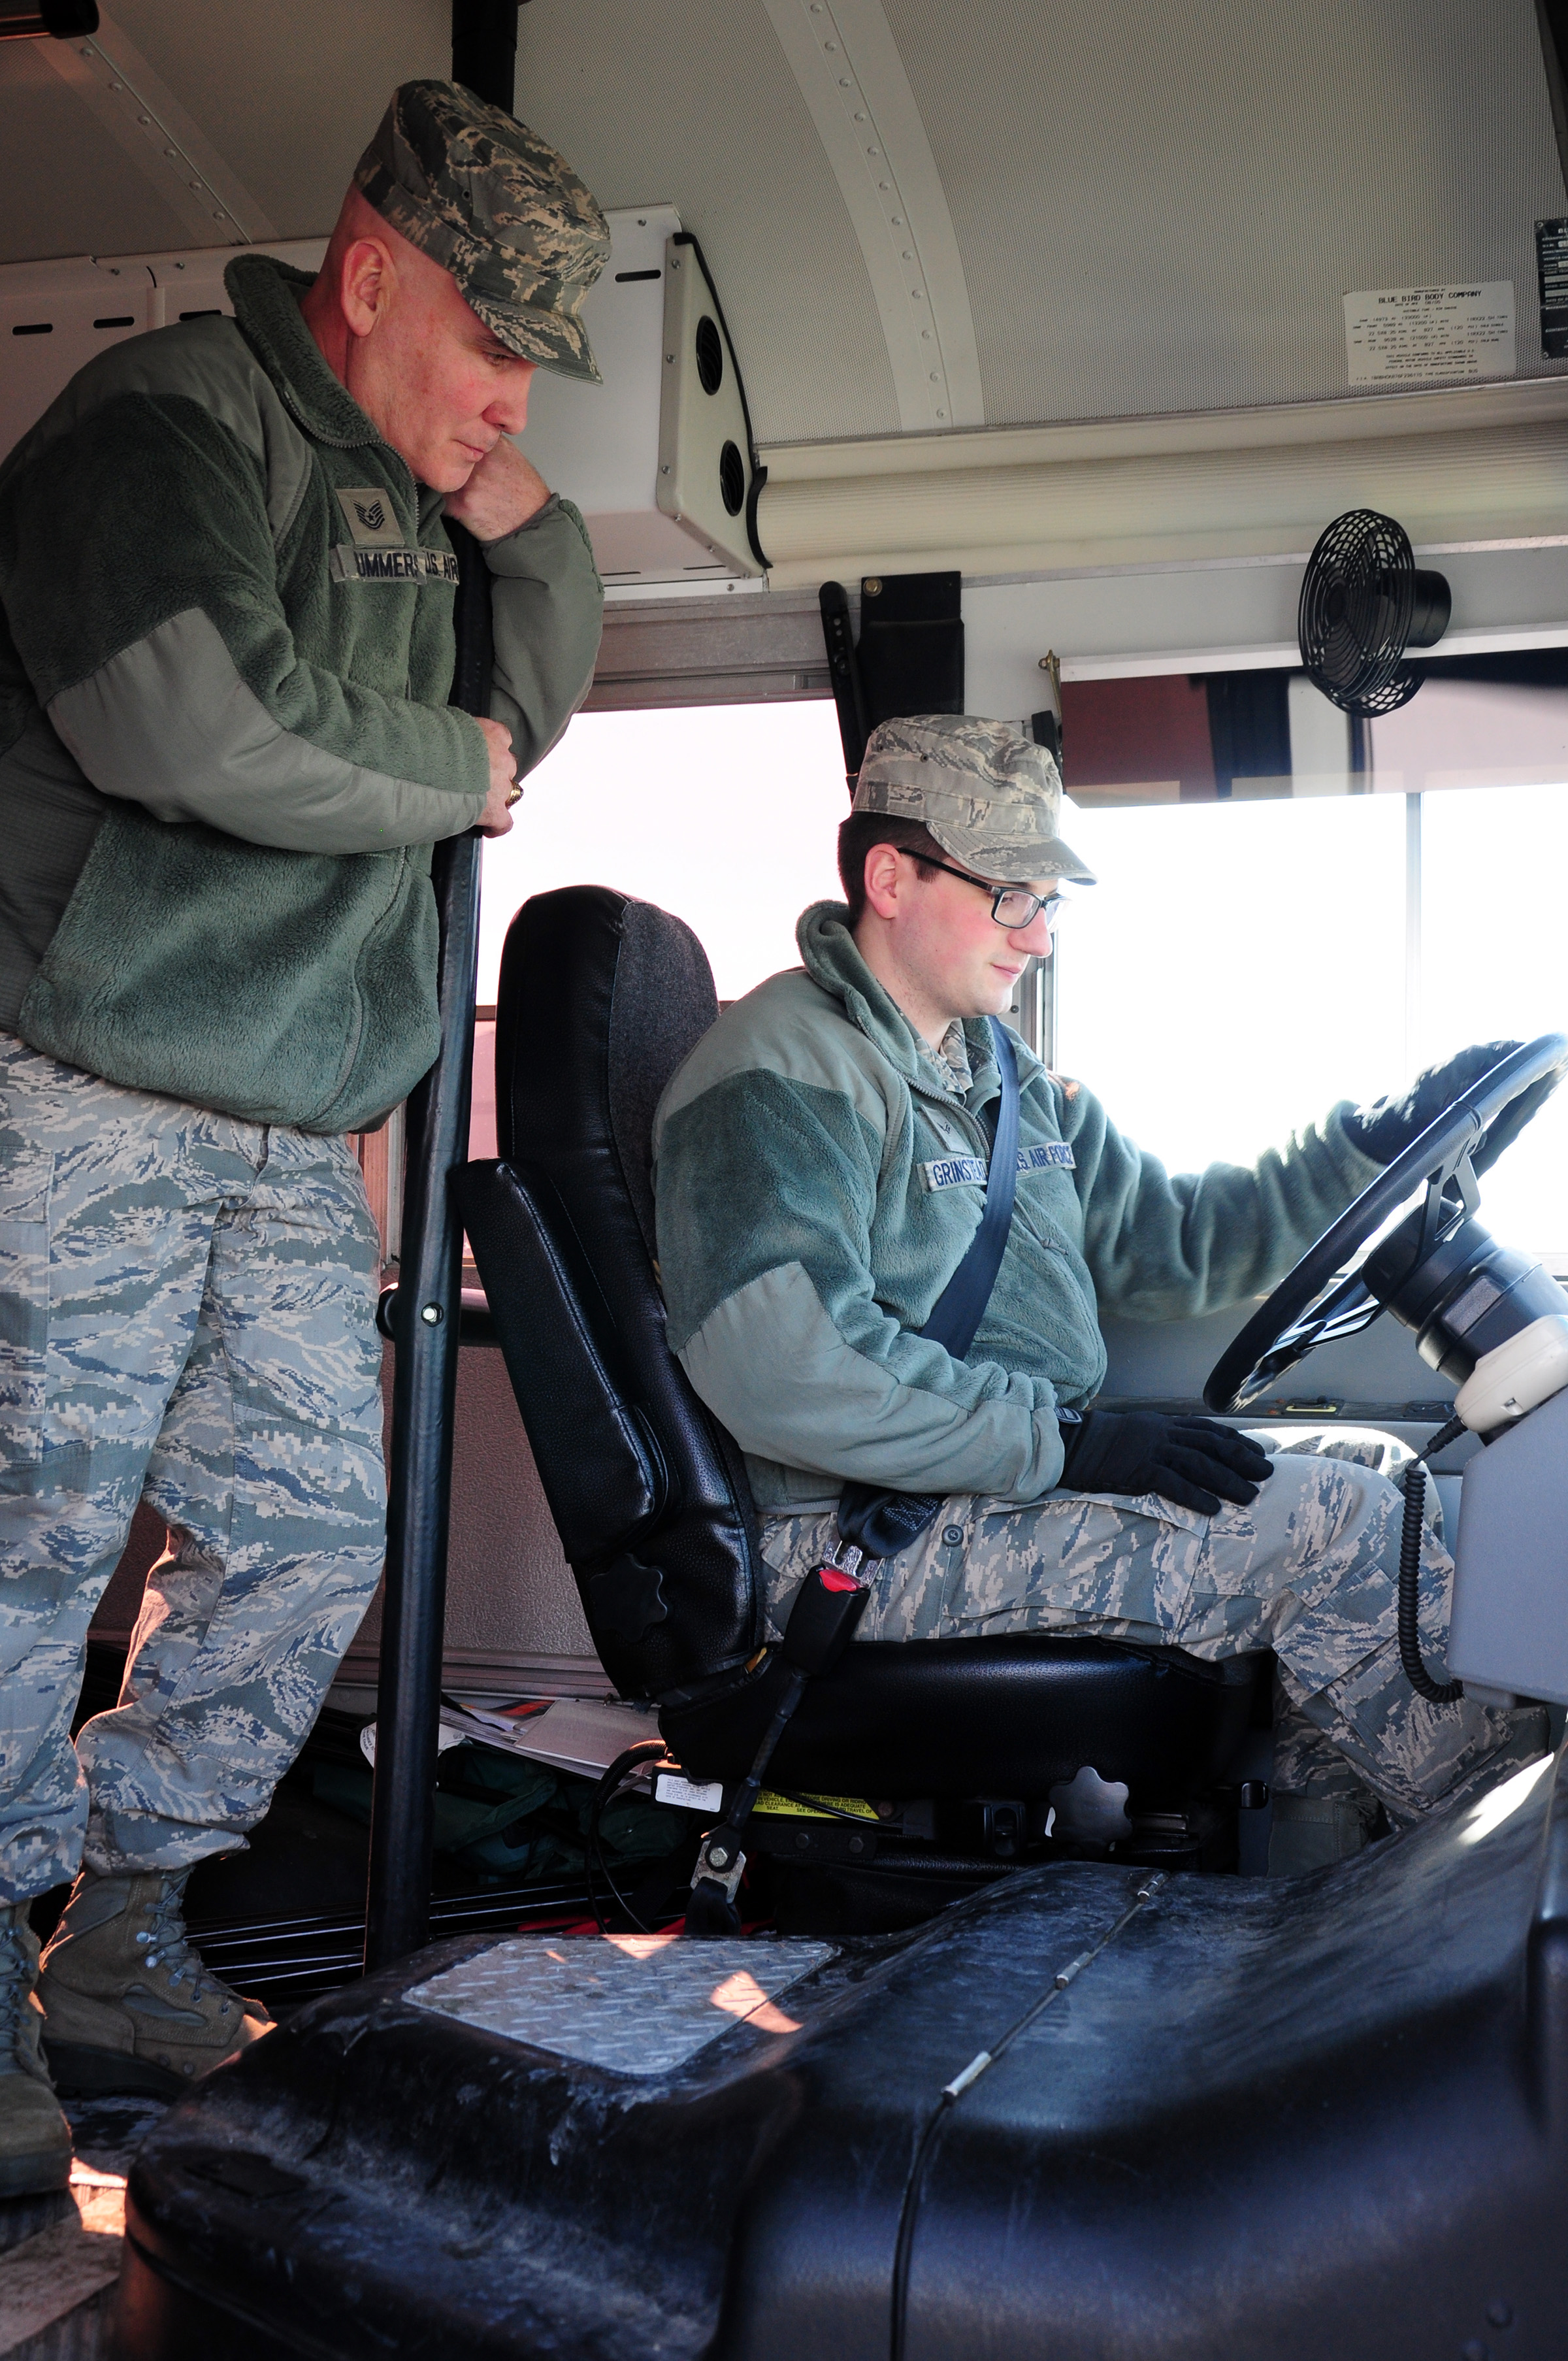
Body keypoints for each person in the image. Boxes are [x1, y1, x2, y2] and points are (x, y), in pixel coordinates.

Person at [0, 80, 608, 2190]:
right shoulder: (170, 422)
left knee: (302, 1546)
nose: (514, 387)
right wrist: (448, 757)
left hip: (276, 1124)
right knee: (24, 1554)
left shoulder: (428, 501)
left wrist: (527, 522)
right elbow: (188, 708)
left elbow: (534, 707)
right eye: (492, 335)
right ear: (368, 275)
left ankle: (127, 1934)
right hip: (83, 1083)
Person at [652, 715, 1547, 1885]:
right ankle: (1519, 1895)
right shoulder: (781, 1073)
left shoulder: (1001, 1073)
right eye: (1011, 897)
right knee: (1335, 1528)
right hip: (858, 1536)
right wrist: (1068, 1445)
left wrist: (1363, 1146)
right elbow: (789, 1363)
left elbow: (1171, 1244)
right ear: (890, 877)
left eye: (1052, 903)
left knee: (1383, 1471)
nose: (1041, 936)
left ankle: (1334, 1915)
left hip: (984, 1490)